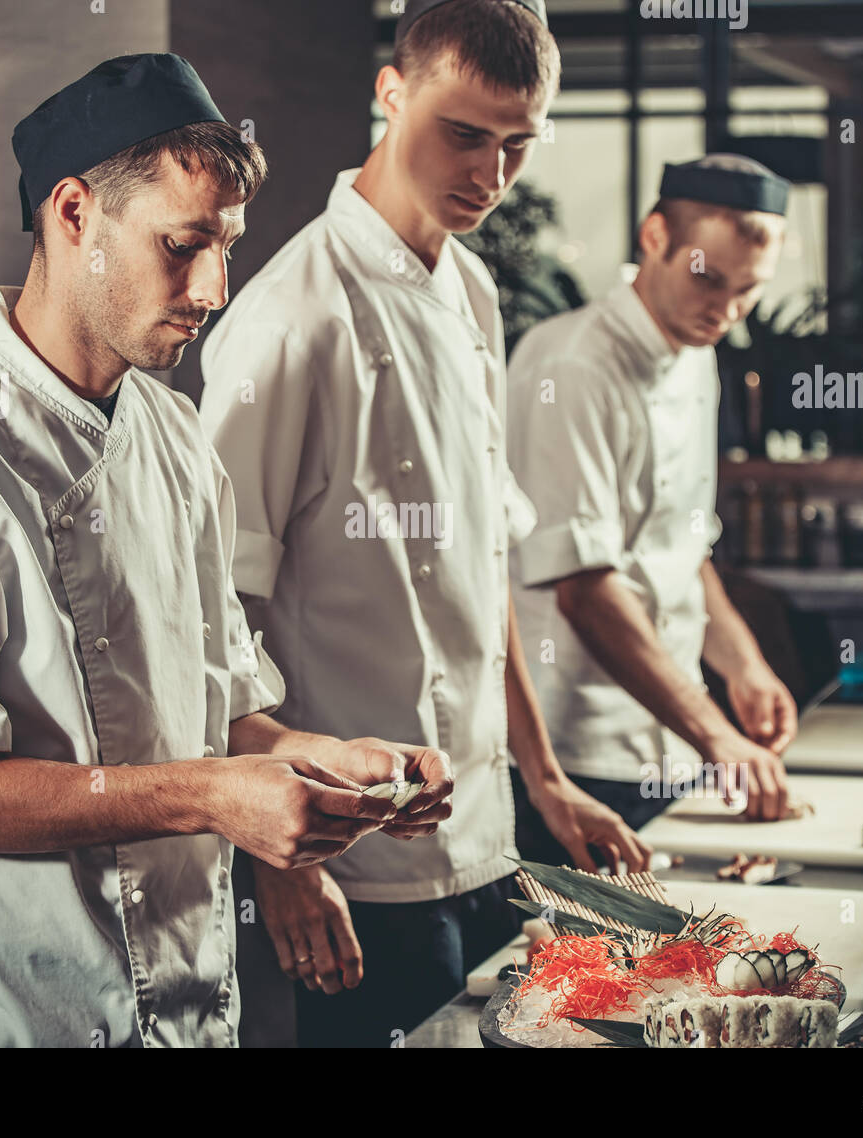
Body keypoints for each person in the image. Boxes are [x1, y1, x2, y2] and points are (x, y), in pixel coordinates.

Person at [0, 53, 451, 1049]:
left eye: (227, 247)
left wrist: (323, 767)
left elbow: (223, 710)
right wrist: (211, 796)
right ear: (73, 214)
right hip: (4, 1012)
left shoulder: (174, 431)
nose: (215, 286)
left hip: (188, 1001)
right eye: (184, 244)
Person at [199, 0, 650, 1050]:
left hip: (486, 832)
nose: (490, 174)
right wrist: (286, 862)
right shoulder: (289, 314)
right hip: (354, 863)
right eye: (463, 133)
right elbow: (213, 616)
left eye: (516, 145)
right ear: (389, 93)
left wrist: (543, 781)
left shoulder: (474, 291)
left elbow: (482, 568)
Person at [506, 154, 800, 870]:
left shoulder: (695, 354)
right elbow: (584, 585)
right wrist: (717, 736)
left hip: (673, 739)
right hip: (581, 755)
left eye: (747, 292)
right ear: (655, 237)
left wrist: (743, 666)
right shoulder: (570, 365)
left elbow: (679, 547)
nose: (726, 311)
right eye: (708, 279)